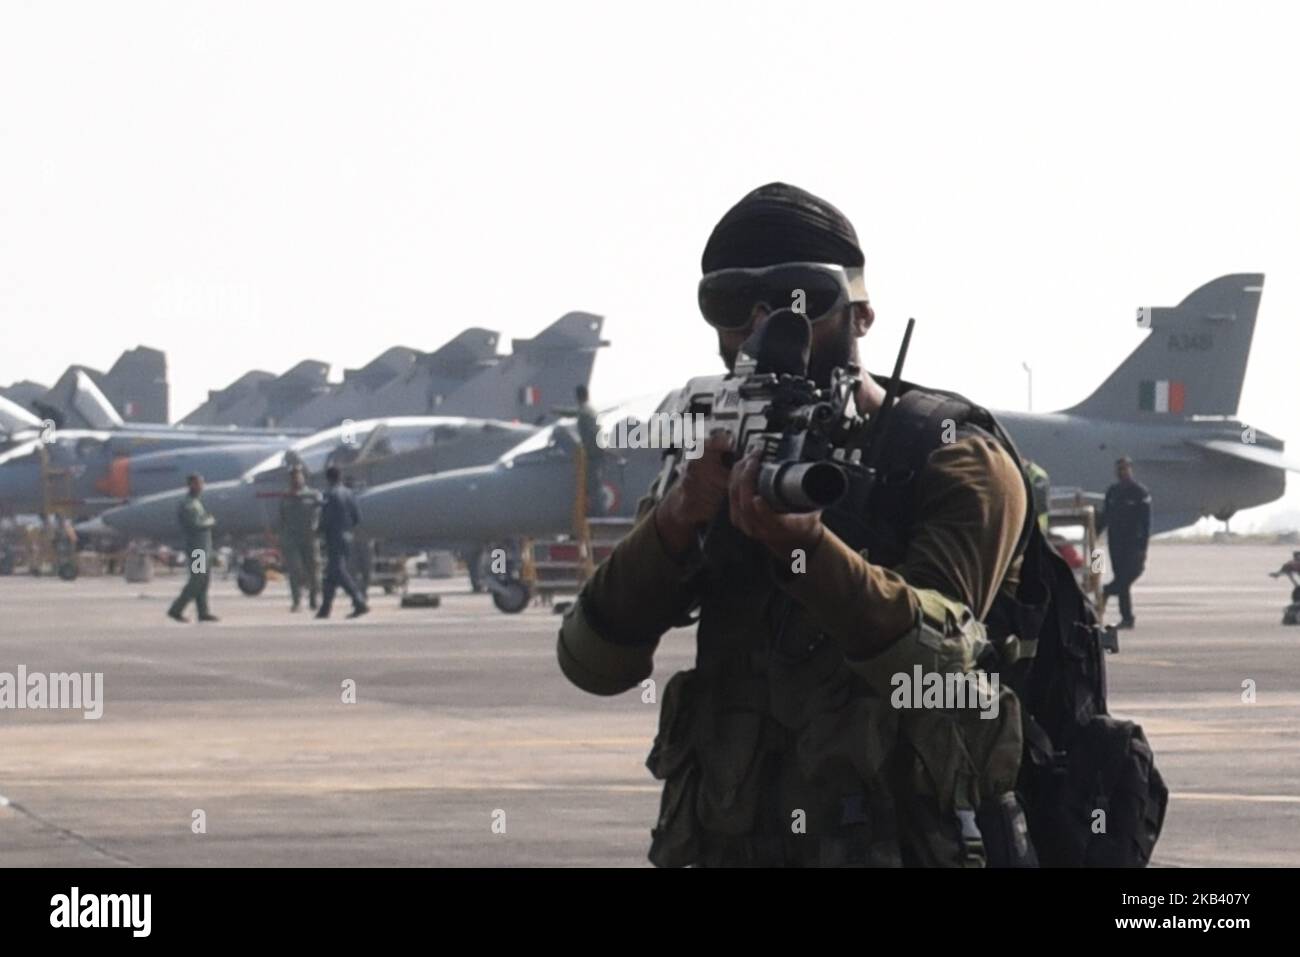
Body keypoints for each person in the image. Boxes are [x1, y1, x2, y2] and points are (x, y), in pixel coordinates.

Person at [556, 183, 1031, 867]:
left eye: (798, 299)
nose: (760, 325)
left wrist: (811, 549)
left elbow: (938, 664)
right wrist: (676, 518)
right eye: (729, 303)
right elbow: (591, 661)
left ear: (862, 313)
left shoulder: (949, 454)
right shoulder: (706, 454)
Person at [1098, 456, 1151, 629]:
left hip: (1133, 544)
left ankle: (1106, 592)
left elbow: (1145, 522)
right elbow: (1105, 517)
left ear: (1130, 470)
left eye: (1125, 468)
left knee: (1129, 576)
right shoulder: (1112, 492)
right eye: (1119, 469)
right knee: (1122, 581)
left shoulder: (1139, 492)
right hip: (1115, 543)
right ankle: (1127, 618)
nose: (1122, 472)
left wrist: (1143, 547)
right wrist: (1094, 534)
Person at [316, 465, 368, 619]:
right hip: (347, 536)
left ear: (328, 478)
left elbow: (326, 518)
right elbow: (357, 517)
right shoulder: (349, 494)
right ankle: (325, 608)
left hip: (334, 537)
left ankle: (359, 601)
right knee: (331, 574)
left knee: (338, 571)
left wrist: (319, 530)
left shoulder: (329, 495)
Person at [168, 473, 218, 623]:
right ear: (191, 485)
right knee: (196, 580)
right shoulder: (188, 503)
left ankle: (203, 612)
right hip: (197, 550)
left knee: (204, 581)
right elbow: (196, 523)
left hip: (204, 548)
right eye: (198, 484)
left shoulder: (196, 502)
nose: (201, 487)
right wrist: (210, 521)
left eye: (202, 483)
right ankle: (176, 609)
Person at [278, 465, 321, 612]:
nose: (296, 478)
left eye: (298, 475)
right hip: (292, 539)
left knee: (313, 570)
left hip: (309, 538)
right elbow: (282, 520)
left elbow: (320, 513)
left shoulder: (313, 495)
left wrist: (318, 529)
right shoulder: (286, 497)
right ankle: (296, 601)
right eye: (293, 476)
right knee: (295, 570)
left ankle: (313, 599)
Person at [574, 384, 605, 517]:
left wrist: (586, 450)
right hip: (597, 452)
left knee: (593, 485)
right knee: (594, 484)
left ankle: (599, 513)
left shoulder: (583, 413)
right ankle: (598, 511)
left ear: (578, 396)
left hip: (592, 455)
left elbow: (589, 435)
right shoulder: (592, 410)